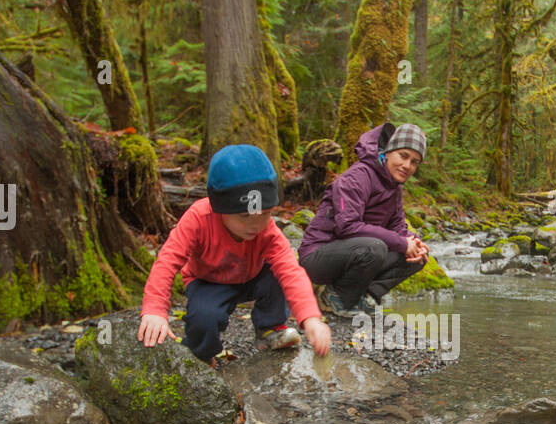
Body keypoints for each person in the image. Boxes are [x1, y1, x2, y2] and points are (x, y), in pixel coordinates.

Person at [138, 142, 331, 363]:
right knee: (203, 319)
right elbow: (168, 260)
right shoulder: (198, 219)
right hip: (208, 281)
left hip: (253, 275)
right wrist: (154, 309)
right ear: (220, 207)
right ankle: (202, 354)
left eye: (265, 213)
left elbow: (290, 270)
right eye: (245, 216)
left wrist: (311, 318)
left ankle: (270, 328)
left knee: (277, 275)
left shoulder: (267, 230)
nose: (257, 225)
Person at [298, 122, 430, 315]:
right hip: (317, 255)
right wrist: (401, 242)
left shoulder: (394, 186)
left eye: (414, 162)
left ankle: (360, 296)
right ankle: (333, 297)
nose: (407, 165)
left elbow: (397, 226)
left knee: (418, 256)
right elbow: (348, 226)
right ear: (389, 151)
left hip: (356, 252)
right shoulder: (358, 177)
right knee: (375, 247)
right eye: (403, 156)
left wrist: (414, 241)